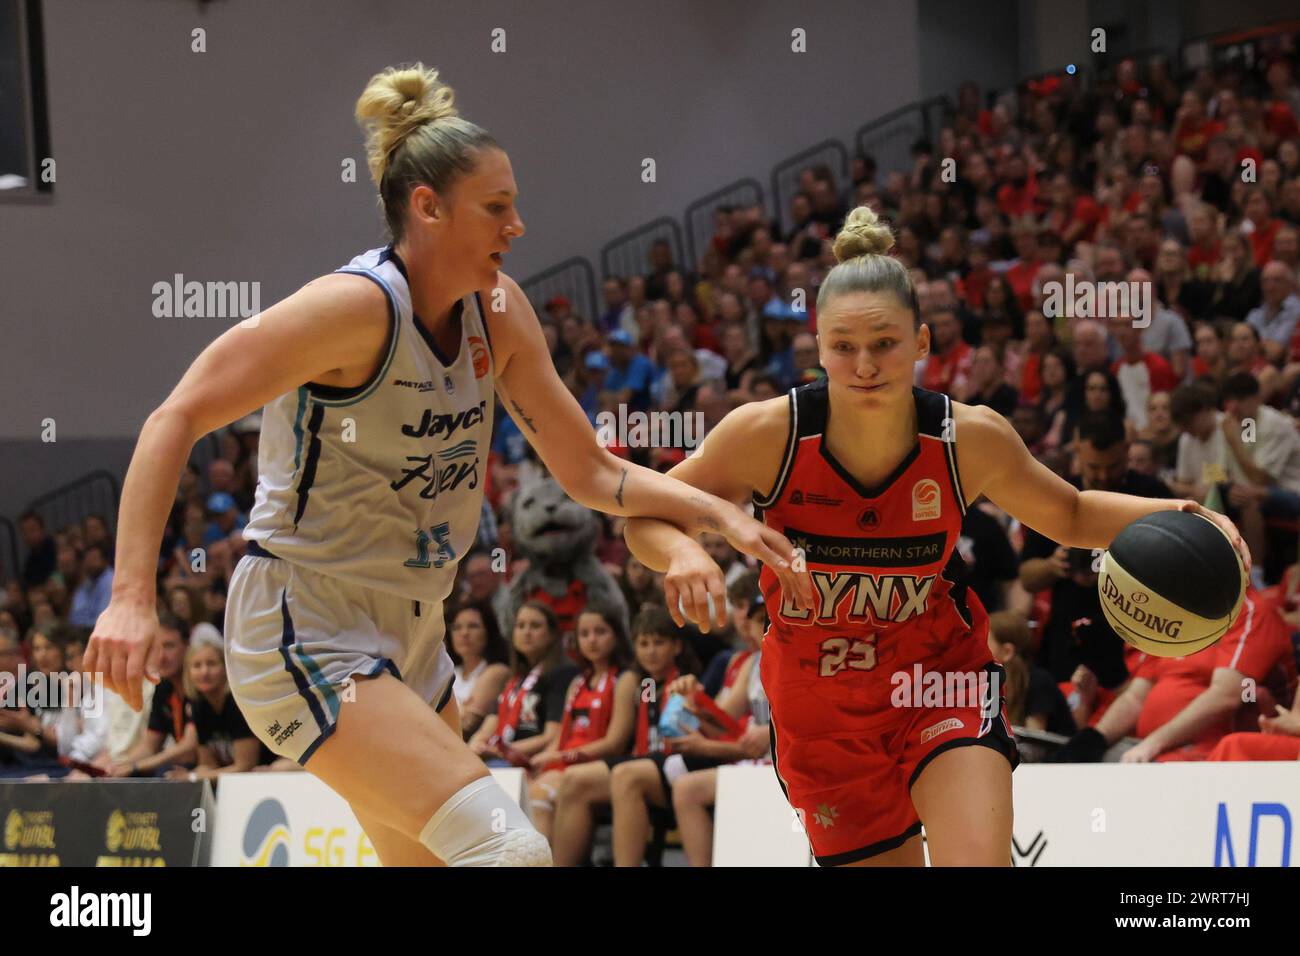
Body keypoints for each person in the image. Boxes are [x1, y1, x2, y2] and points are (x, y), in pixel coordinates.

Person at [85, 63, 799, 868]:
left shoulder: (500, 314)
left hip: (414, 637)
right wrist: (132, 599)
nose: (518, 225)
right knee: (510, 852)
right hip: (305, 626)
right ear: (427, 207)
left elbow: (592, 473)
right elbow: (174, 415)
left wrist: (724, 516)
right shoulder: (354, 309)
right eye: (497, 207)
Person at [624, 207, 1247, 867]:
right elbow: (641, 512)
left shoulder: (967, 438)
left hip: (938, 682)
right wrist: (686, 550)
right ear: (817, 344)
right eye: (843, 346)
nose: (864, 365)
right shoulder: (767, 434)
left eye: (885, 343)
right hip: (820, 714)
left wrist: (1183, 510)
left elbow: (1067, 511)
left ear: (922, 342)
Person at [525, 605, 636, 841]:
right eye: (584, 634)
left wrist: (560, 757)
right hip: (565, 762)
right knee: (523, 783)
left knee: (539, 793)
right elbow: (560, 737)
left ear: (617, 635)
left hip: (596, 763)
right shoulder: (577, 682)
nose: (592, 640)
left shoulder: (626, 679)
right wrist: (539, 760)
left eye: (600, 632)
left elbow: (615, 743)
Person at [467, 602, 578, 765]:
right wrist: (476, 743)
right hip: (500, 755)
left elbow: (551, 736)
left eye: (535, 626)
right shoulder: (515, 679)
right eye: (520, 626)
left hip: (531, 760)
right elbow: (489, 725)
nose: (527, 632)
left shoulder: (563, 674)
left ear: (552, 634)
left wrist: (502, 751)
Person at [164, 625, 269, 781]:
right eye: (197, 666)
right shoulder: (198, 707)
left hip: (265, 773)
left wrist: (193, 776)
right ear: (188, 672)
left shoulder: (237, 703)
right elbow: (208, 766)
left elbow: (245, 766)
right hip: (231, 782)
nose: (204, 672)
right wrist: (200, 774)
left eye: (211, 664)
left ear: (226, 669)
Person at [445, 601, 509, 741]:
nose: (464, 633)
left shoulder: (496, 671)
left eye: (473, 626)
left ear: (489, 631)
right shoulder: (448, 670)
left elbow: (467, 723)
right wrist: (460, 710)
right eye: (457, 627)